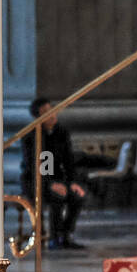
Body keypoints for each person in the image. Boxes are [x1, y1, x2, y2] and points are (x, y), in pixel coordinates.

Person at [21, 98, 87, 250]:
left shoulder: (61, 133)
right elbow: (34, 166)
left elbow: (68, 161)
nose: (52, 115)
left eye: (52, 110)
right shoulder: (31, 136)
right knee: (57, 196)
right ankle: (54, 237)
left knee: (77, 196)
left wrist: (72, 182)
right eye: (46, 112)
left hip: (58, 180)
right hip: (36, 182)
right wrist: (50, 184)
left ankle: (66, 234)